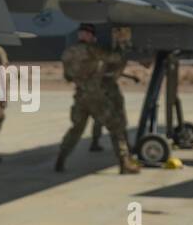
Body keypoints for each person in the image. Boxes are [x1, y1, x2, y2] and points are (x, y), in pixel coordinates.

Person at [56, 24, 138, 174]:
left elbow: (67, 76)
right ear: (89, 36)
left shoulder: (67, 52)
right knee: (116, 127)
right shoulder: (92, 49)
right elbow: (115, 58)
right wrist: (122, 45)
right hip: (96, 97)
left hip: (80, 96)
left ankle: (60, 161)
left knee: (75, 130)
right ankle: (124, 163)